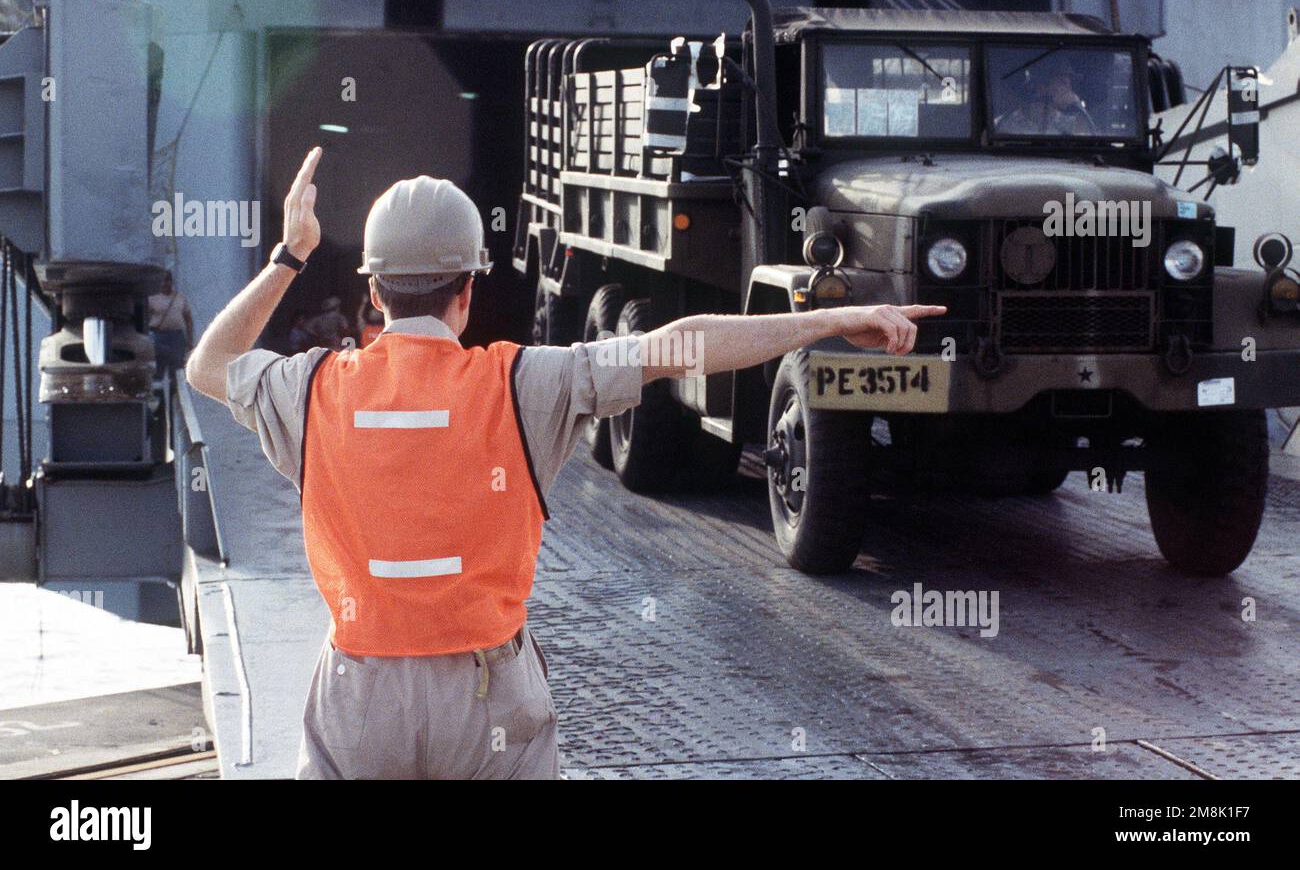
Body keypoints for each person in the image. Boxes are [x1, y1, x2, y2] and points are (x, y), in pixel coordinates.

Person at [185, 147, 945, 779]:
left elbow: (207, 364)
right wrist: (835, 318)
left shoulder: (309, 387)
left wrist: (291, 254)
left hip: (358, 693)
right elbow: (681, 343)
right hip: (485, 695)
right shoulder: (524, 383)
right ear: (469, 291)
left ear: (374, 295)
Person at [995, 59, 1097, 136]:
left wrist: (1079, 112)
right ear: (1040, 86)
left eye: (1069, 83)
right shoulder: (1004, 123)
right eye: (1062, 82)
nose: (1068, 88)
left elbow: (1087, 143)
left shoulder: (1071, 123)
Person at [148, 271, 193, 376]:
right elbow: (145, 318)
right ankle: (158, 392)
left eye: (168, 280)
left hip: (177, 337)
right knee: (158, 368)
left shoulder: (180, 298)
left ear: (171, 281)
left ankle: (175, 392)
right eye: (163, 280)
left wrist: (189, 340)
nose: (165, 283)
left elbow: (188, 319)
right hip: (158, 336)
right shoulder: (152, 298)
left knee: (177, 368)